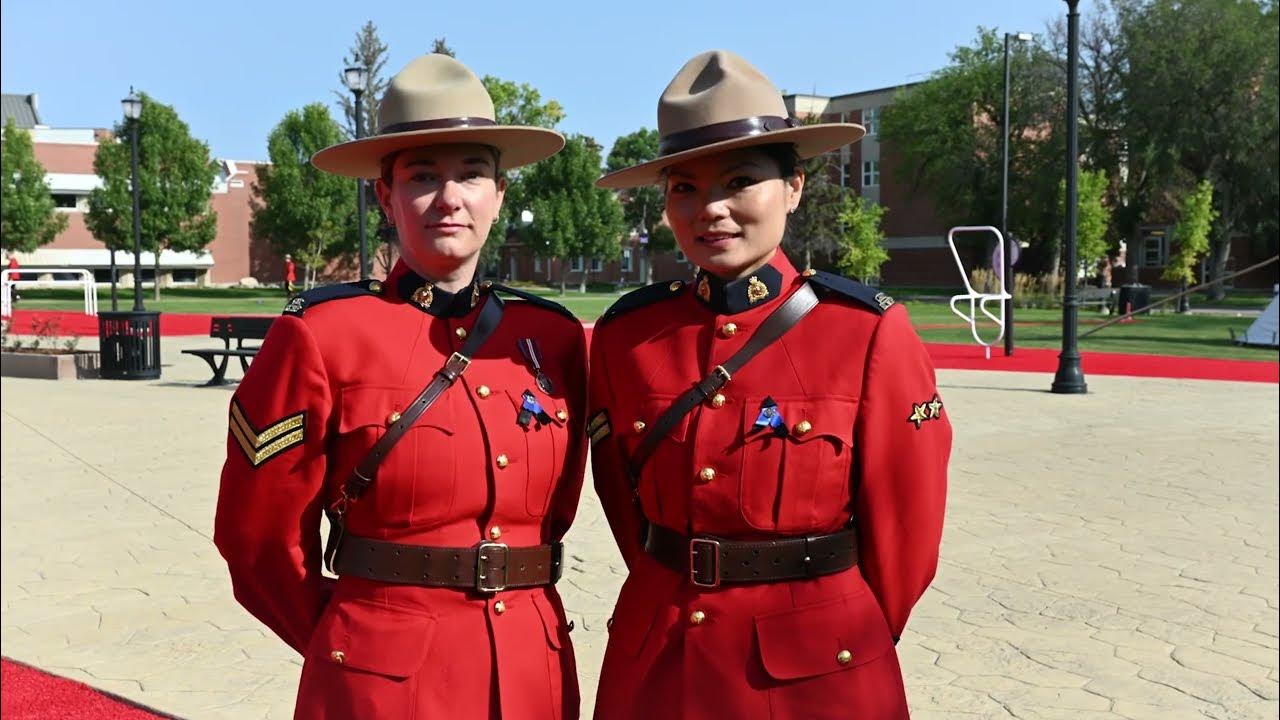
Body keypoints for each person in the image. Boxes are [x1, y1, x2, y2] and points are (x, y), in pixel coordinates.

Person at [214, 54, 585, 720]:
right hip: (382, 686)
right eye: (422, 177)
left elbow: (556, 515)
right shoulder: (321, 335)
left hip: (533, 673)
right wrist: (354, 642)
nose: (450, 198)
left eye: (472, 174)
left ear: (499, 193)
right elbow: (257, 542)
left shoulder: (551, 339)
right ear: (385, 196)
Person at [588, 50, 952, 719]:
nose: (711, 210)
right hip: (660, 660)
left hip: (814, 672)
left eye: (739, 181)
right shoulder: (625, 337)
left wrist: (839, 626)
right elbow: (626, 508)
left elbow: (906, 537)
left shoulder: (867, 333)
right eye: (685, 187)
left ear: (794, 187)